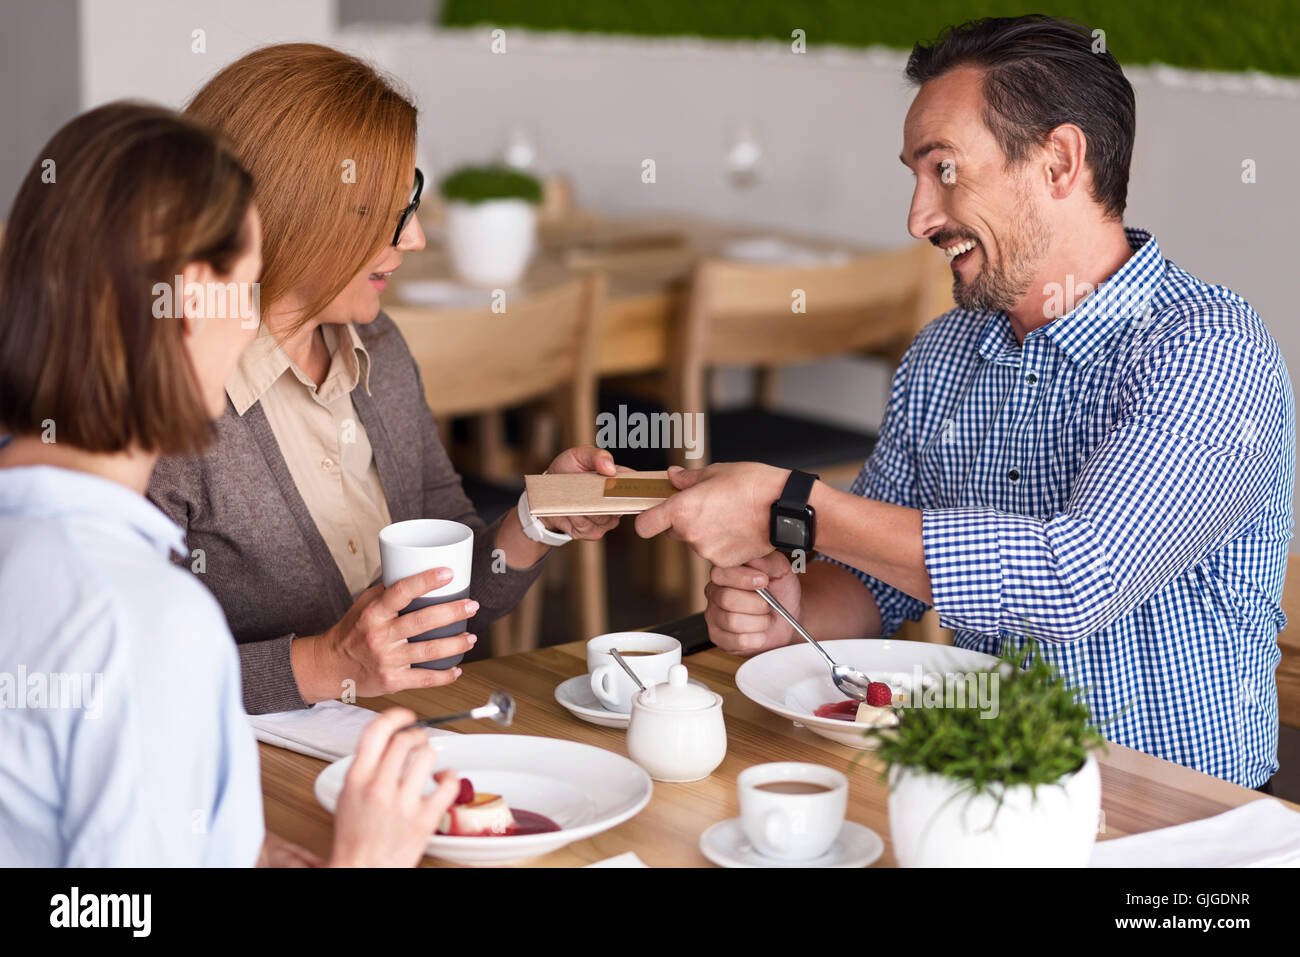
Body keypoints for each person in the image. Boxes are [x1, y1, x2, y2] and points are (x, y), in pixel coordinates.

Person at [635, 16, 1293, 791]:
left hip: (1176, 818)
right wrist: (793, 609)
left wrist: (794, 502)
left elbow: (1075, 579)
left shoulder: (1209, 350)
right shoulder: (946, 354)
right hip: (976, 784)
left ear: (1059, 162)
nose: (919, 216)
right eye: (915, 175)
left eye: (944, 169)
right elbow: (874, 578)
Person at [0, 102, 460, 866]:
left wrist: (229, 844)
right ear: (188, 308)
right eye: (246, 293)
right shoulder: (145, 619)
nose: (251, 326)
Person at [147, 44, 622, 715]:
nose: (418, 238)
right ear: (296, 213)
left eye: (412, 203)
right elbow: (130, 673)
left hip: (394, 747)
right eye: (391, 212)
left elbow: (460, 595)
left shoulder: (380, 348)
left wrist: (538, 516)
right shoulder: (160, 404)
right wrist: (324, 663)